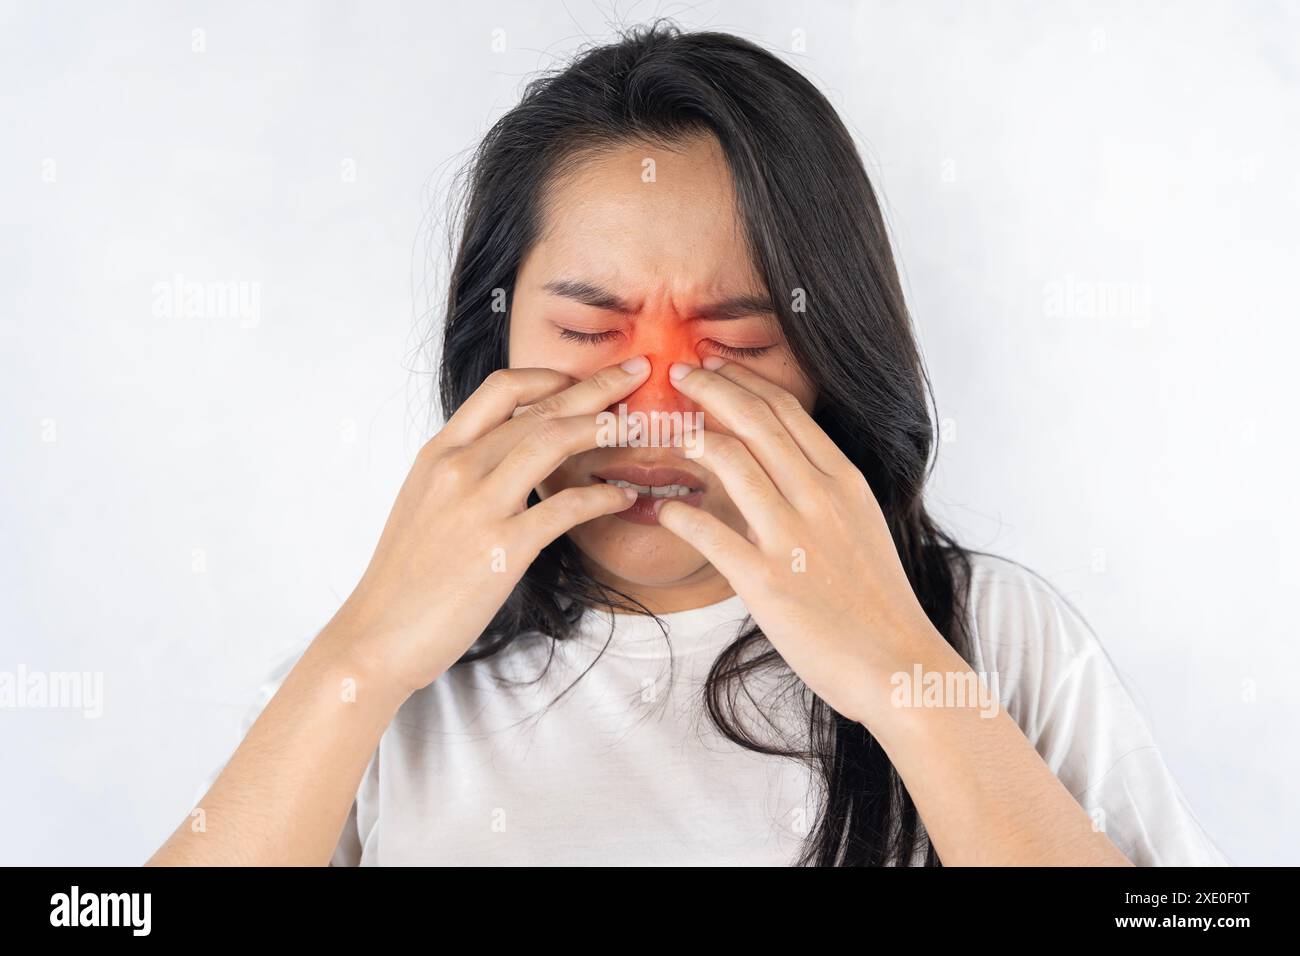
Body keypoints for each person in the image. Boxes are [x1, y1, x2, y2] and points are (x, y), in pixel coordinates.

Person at [148, 24, 1228, 867]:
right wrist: (358, 658)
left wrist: (903, 674)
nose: (657, 402)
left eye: (738, 338)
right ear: (497, 339)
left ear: (824, 352)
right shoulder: (376, 685)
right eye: (585, 331)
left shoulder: (993, 635)